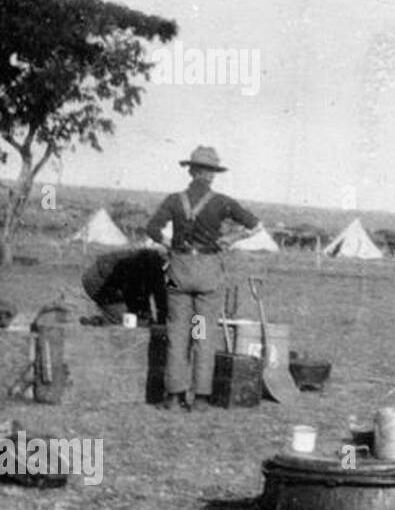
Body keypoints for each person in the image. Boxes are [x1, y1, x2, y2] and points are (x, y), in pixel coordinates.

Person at [145, 146, 262, 410]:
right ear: (212, 175)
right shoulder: (223, 202)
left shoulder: (174, 200)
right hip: (208, 273)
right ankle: (200, 398)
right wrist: (230, 239)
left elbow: (151, 229)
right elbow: (257, 226)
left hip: (178, 272)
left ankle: (174, 397)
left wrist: (170, 245)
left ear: (191, 170)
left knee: (177, 333)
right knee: (203, 333)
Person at [80, 248, 168, 325]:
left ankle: (103, 320)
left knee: (131, 314)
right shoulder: (151, 267)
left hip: (94, 274)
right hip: (99, 280)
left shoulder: (142, 256)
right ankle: (103, 321)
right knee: (136, 321)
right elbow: (135, 292)